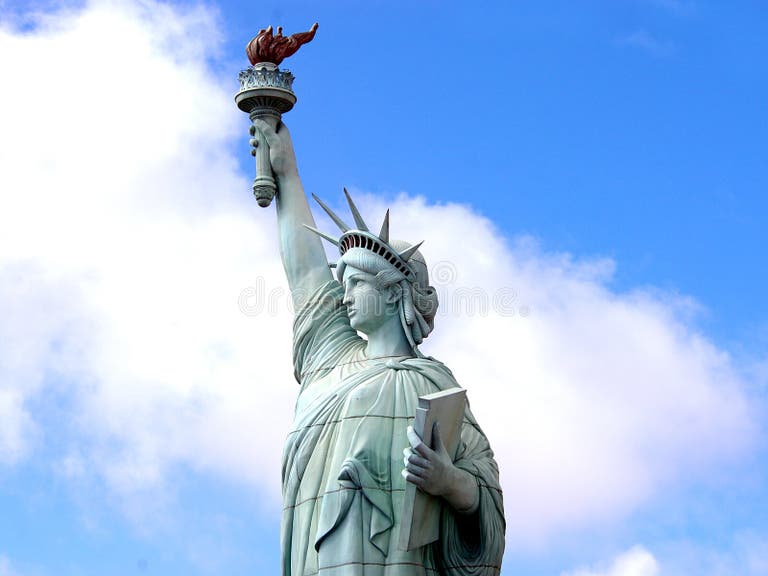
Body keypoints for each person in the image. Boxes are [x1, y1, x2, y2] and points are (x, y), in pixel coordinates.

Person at [252, 118, 505, 576]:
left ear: (393, 292)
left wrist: (449, 482)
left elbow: (484, 497)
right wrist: (287, 175)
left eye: (354, 283)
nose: (342, 295)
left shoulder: (435, 389)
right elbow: (306, 275)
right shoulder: (330, 362)